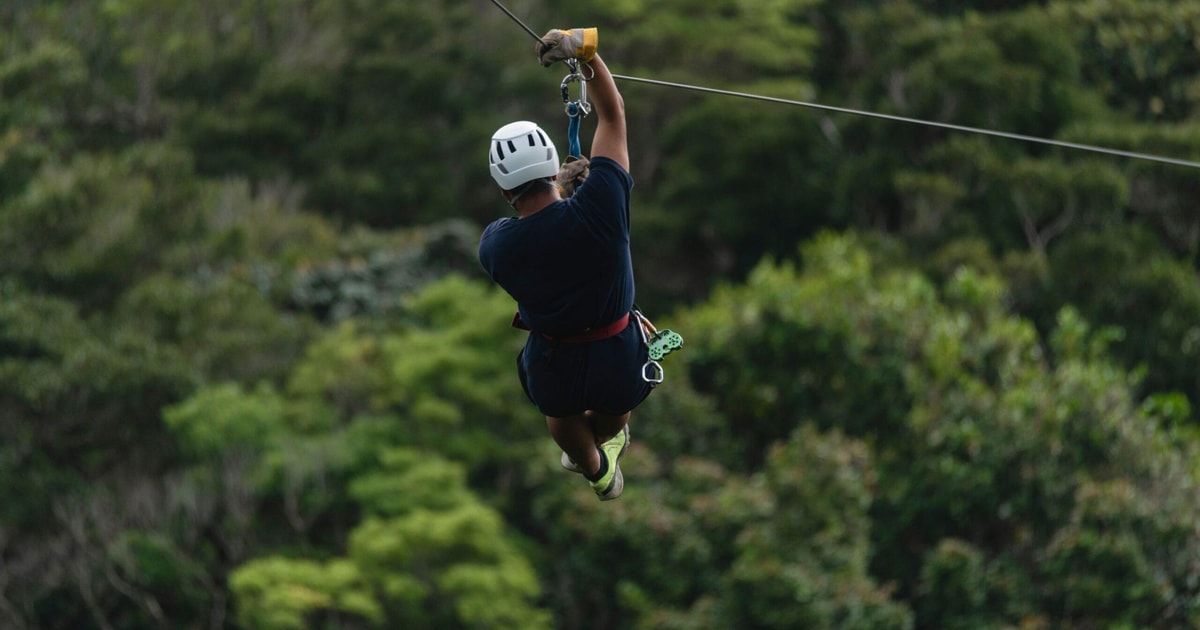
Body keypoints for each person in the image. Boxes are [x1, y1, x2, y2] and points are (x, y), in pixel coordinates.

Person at [477, 28, 651, 501]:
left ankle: (596, 470)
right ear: (555, 165)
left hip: (555, 364)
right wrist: (586, 53)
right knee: (616, 413)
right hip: (618, 355)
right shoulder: (603, 207)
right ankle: (604, 448)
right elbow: (612, 115)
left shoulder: (496, 246)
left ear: (502, 189)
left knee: (561, 418)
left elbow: (535, 235)